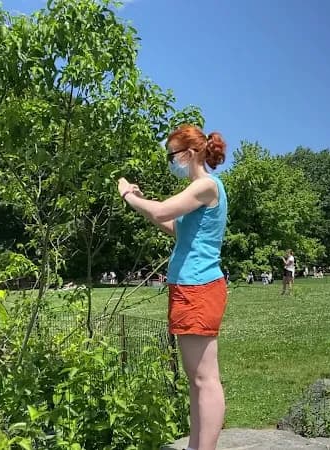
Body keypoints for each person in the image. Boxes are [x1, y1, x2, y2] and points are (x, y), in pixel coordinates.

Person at [118, 124, 228, 450]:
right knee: (196, 380)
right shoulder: (200, 190)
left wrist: (127, 194)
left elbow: (164, 208)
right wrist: (141, 201)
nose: (171, 161)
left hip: (198, 288)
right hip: (189, 288)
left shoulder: (205, 186)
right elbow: (173, 226)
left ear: (190, 153)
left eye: (172, 155)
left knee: (205, 379)